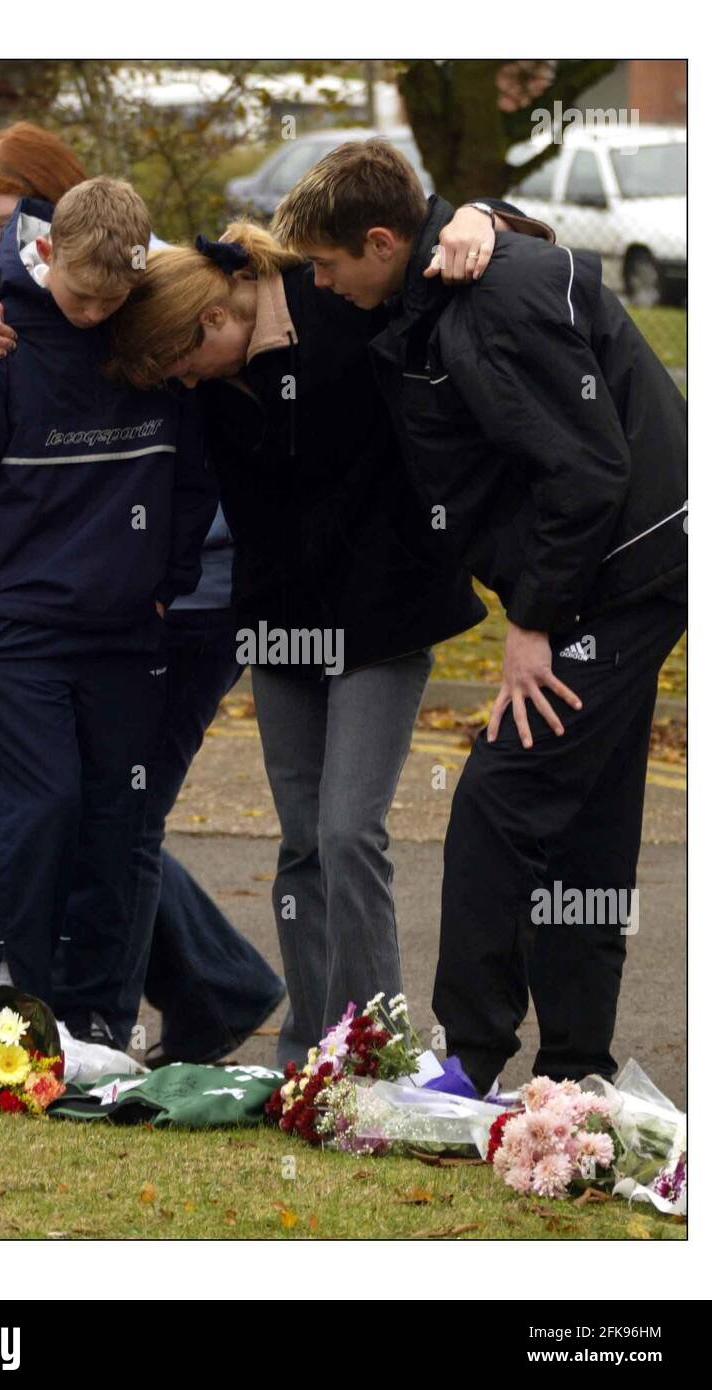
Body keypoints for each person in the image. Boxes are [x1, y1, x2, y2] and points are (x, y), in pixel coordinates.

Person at [272, 138, 687, 1094]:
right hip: (625, 571)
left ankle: (469, 1060)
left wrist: (532, 622)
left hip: (618, 575)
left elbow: (585, 472)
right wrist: (479, 208)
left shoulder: (487, 307)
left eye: (329, 266)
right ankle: (578, 1062)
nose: (323, 286)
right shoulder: (446, 276)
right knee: (582, 816)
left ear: (382, 241)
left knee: (498, 806)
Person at [107, 215, 504, 1066]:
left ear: (215, 322)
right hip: (281, 623)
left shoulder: (337, 301)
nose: (178, 381)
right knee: (300, 839)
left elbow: (402, 222)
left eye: (180, 361)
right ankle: (307, 1055)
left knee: (348, 831)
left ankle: (378, 1049)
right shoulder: (208, 383)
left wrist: (483, 217)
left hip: (384, 614)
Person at [0, 120, 285, 1058]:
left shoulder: (153, 284)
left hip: (179, 602)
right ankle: (145, 1000)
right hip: (67, 612)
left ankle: (122, 1008)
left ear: (56, 211)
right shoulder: (29, 315)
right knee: (83, 810)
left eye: (3, 222)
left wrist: (168, 585)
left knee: (118, 817)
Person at [0, 176, 216, 1043]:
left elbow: (191, 478)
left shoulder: (147, 328)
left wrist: (168, 579)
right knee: (38, 811)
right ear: (46, 254)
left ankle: (99, 1024)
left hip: (128, 630)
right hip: (18, 637)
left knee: (118, 821)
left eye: (113, 299)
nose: (93, 313)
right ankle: (11, 1013)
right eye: (81, 295)